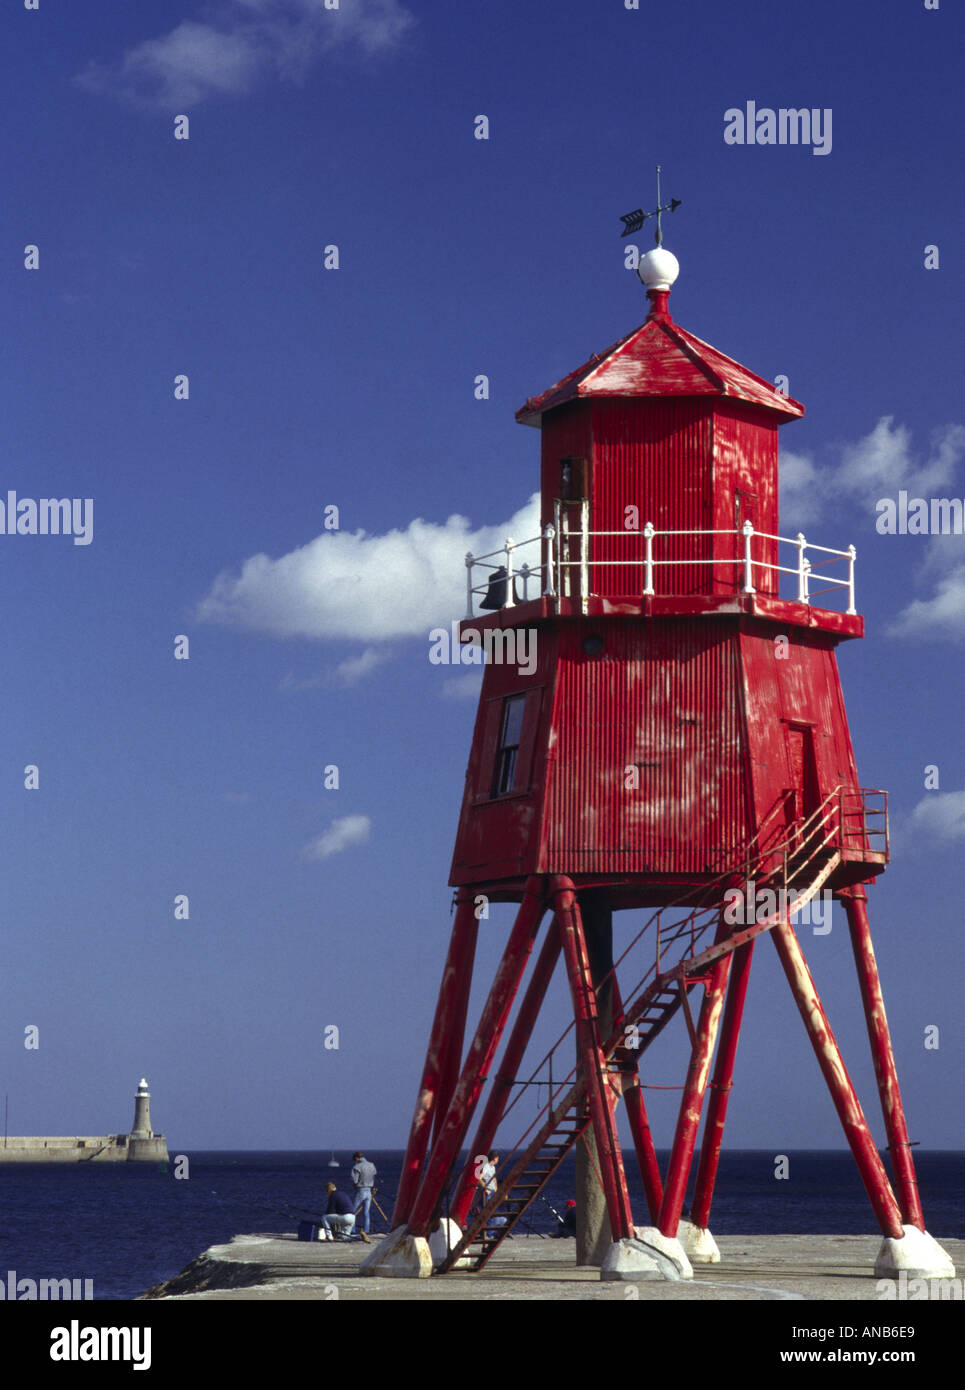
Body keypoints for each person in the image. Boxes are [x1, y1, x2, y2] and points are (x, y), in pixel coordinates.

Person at [351, 1151, 378, 1237]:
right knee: (366, 1212)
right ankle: (367, 1231)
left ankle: (352, 1230)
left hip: (360, 1190)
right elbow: (374, 1175)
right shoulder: (372, 1165)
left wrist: (355, 1184)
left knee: (352, 1212)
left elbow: (354, 1180)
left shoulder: (357, 1167)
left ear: (356, 1158)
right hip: (369, 1191)